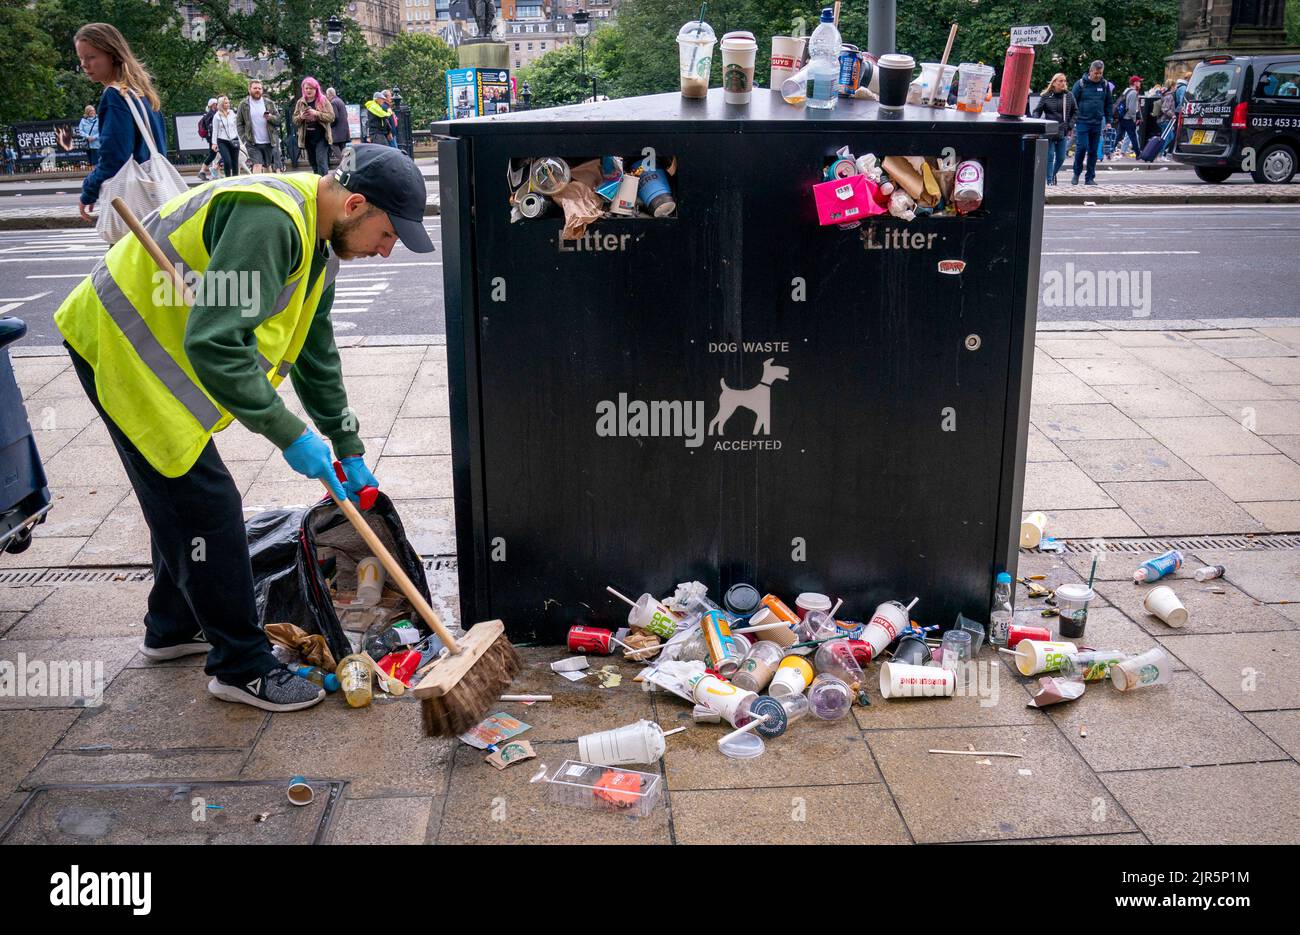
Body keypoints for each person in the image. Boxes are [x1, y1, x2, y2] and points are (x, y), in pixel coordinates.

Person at [53, 144, 435, 712]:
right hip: (121, 345)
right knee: (206, 505)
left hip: (157, 353)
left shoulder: (317, 240)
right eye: (387, 236)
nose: (385, 251)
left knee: (179, 501)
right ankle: (240, 666)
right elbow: (213, 344)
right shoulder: (271, 221)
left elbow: (314, 352)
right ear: (356, 204)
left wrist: (346, 444)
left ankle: (171, 627)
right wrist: (289, 434)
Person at [73, 23, 168, 225]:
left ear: (113, 55)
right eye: (81, 58)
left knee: (122, 254)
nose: (84, 64)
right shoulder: (143, 94)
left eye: (91, 57)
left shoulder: (115, 96)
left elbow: (114, 158)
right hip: (157, 196)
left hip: (134, 202)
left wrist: (89, 191)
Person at [1070, 60, 1113, 186]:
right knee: (1082, 147)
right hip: (1082, 121)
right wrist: (1072, 121)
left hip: (1097, 122)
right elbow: (1072, 103)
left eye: (1100, 73)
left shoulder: (1105, 85)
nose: (1098, 75)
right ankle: (1076, 173)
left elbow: (1108, 104)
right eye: (1096, 73)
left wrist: (1109, 120)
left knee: (1093, 151)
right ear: (1090, 72)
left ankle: (1089, 177)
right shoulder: (1080, 84)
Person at [1033, 73, 1076, 185]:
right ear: (1054, 83)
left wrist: (1070, 125)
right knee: (1050, 156)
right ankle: (1050, 181)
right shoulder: (1046, 96)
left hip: (1063, 130)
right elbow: (1037, 110)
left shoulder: (1069, 96)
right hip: (1049, 130)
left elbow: (1075, 111)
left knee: (1061, 158)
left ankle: (1052, 174)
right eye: (1060, 81)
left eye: (1064, 81)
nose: (1063, 83)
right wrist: (1036, 121)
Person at [237, 80, 282, 174]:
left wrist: (270, 117)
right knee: (257, 164)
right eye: (255, 88)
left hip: (268, 141)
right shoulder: (243, 104)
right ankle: (256, 186)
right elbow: (239, 123)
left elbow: (278, 119)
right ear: (249, 89)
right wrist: (244, 139)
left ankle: (267, 186)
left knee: (267, 166)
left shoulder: (269, 103)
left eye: (259, 88)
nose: (257, 90)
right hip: (252, 142)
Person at [292, 77, 334, 176]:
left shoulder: (323, 100)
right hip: (307, 138)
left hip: (322, 137)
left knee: (321, 161)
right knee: (313, 162)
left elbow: (331, 117)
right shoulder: (300, 102)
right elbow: (294, 120)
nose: (308, 90)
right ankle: (317, 184)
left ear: (316, 89)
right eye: (306, 88)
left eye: (311, 88)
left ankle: (324, 184)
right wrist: (301, 117)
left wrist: (316, 113)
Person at [212, 96, 241, 177]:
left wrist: (240, 141)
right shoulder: (217, 116)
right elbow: (215, 130)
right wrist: (214, 143)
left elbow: (236, 127)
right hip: (222, 141)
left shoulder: (232, 113)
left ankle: (235, 179)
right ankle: (228, 178)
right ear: (221, 104)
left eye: (228, 103)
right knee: (227, 161)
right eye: (226, 103)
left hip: (234, 139)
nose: (228, 104)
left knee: (235, 161)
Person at [1115, 76, 1142, 157]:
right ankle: (1138, 154)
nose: (1140, 83)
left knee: (1118, 136)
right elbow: (1132, 109)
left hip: (1122, 117)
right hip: (1128, 118)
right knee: (1133, 137)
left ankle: (1110, 151)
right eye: (1139, 81)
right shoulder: (1133, 93)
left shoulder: (1126, 91)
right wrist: (1134, 118)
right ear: (1135, 83)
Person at [198, 98, 220, 180]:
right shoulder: (210, 114)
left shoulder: (214, 113)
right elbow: (210, 127)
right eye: (216, 104)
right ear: (212, 105)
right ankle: (213, 170)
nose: (217, 105)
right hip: (213, 139)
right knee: (215, 155)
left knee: (212, 155)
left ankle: (203, 171)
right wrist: (214, 139)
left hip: (214, 138)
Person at [326, 86, 350, 165]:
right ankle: (349, 165)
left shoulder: (333, 102)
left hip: (337, 131)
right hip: (344, 130)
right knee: (343, 149)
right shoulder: (340, 101)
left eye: (327, 96)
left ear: (330, 95)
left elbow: (335, 117)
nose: (327, 98)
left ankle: (344, 163)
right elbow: (346, 114)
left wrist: (330, 126)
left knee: (333, 145)